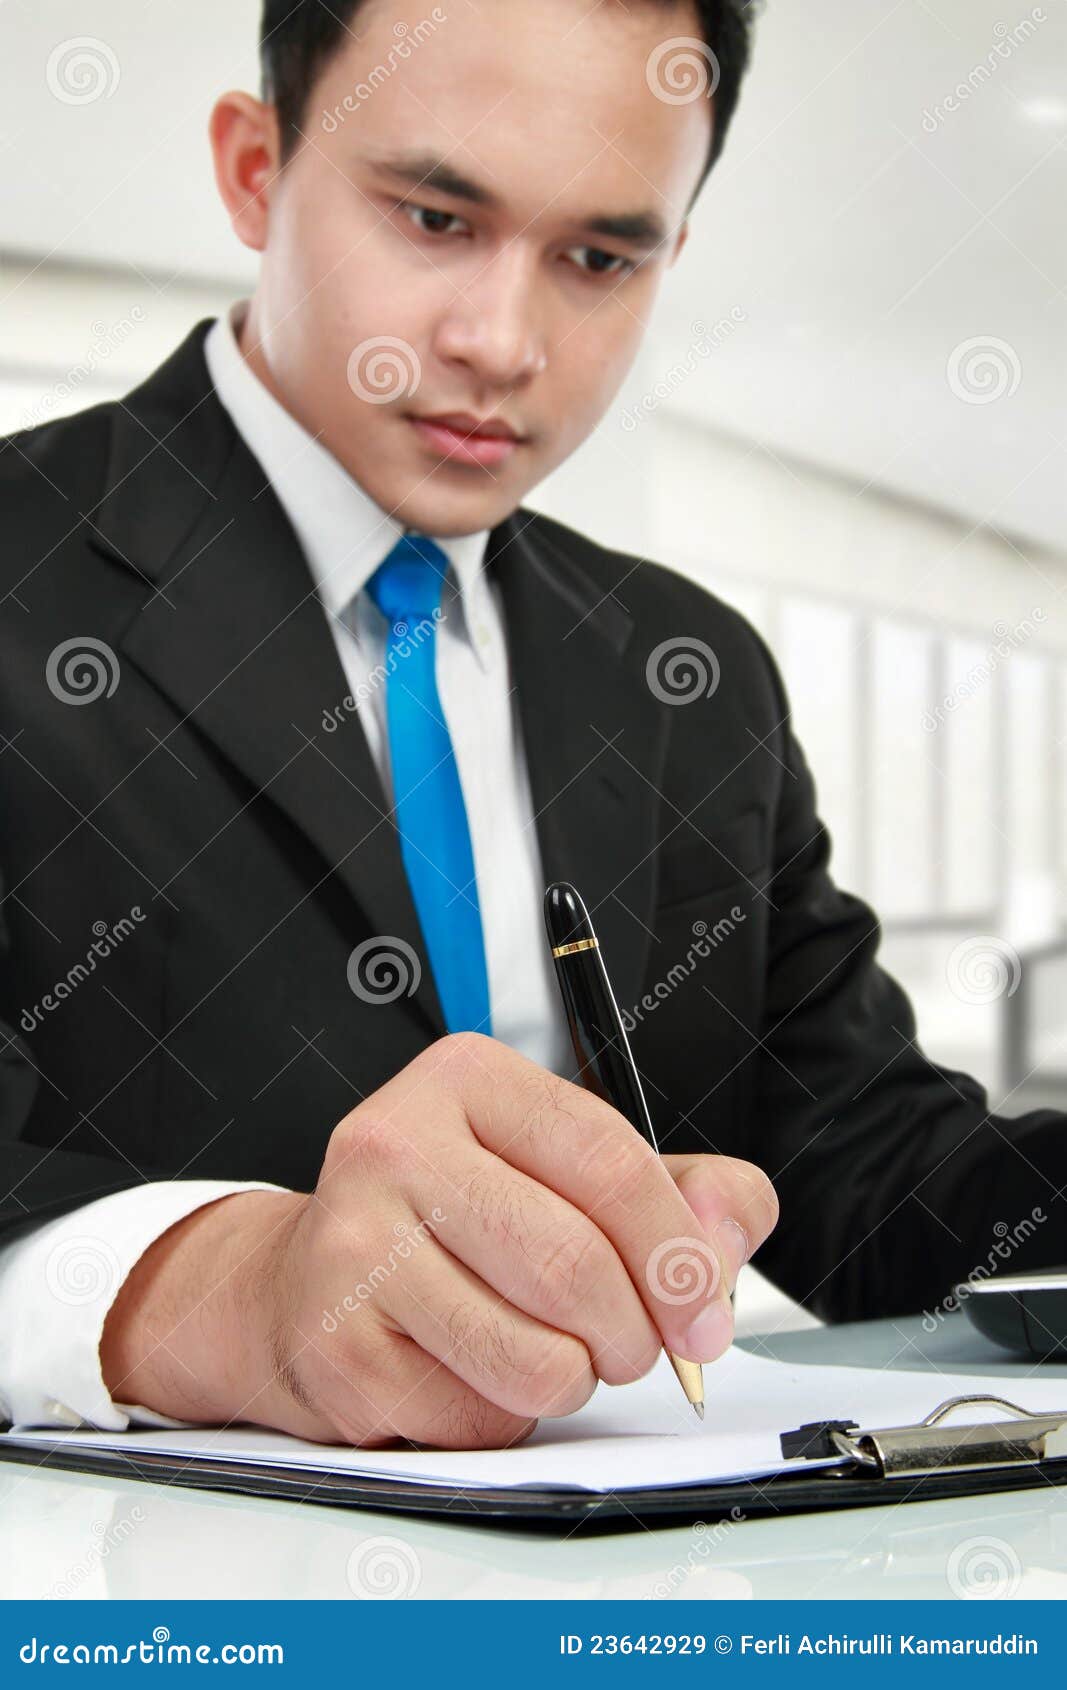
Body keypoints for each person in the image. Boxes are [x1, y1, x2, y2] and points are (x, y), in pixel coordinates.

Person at [0, 0, 1061, 1452]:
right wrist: (235, 1293)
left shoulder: (692, 671)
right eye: (436, 217)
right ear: (255, 170)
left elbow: (871, 1165)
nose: (503, 343)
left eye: (599, 257)